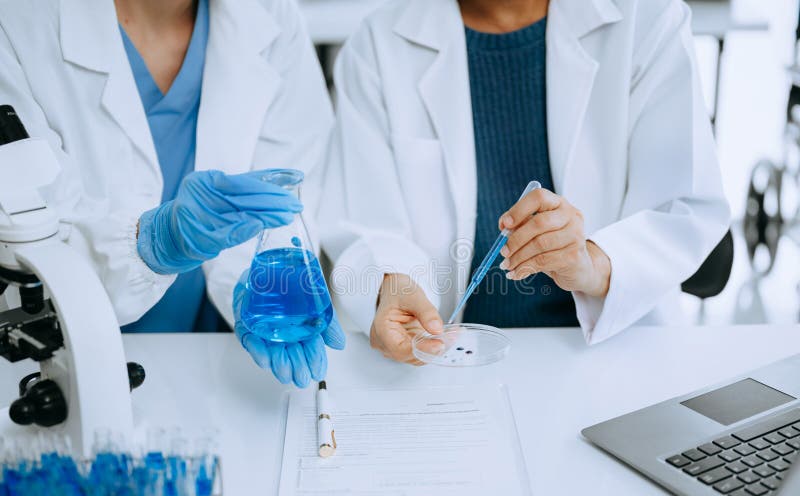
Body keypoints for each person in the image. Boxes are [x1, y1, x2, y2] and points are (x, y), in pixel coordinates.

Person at [320, 0, 730, 364]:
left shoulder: (647, 18)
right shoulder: (378, 44)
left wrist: (592, 263)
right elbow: (366, 224)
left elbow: (681, 208)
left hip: (614, 358)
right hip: (451, 364)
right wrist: (392, 282)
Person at [0, 0, 343, 386]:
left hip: (214, 364)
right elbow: (26, 231)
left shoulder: (270, 16)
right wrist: (155, 242)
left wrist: (252, 282)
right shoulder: (16, 23)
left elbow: (288, 193)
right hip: (54, 366)